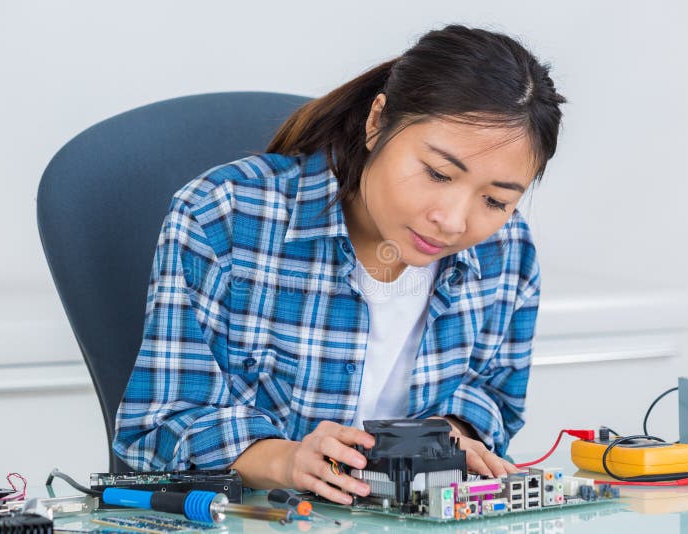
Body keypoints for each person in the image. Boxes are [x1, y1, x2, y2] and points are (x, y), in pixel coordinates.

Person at [113, 24, 565, 505]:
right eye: (436, 173)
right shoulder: (223, 215)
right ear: (377, 123)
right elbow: (160, 422)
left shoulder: (508, 249)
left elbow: (493, 397)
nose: (452, 221)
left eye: (495, 201)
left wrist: (442, 440)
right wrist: (286, 460)